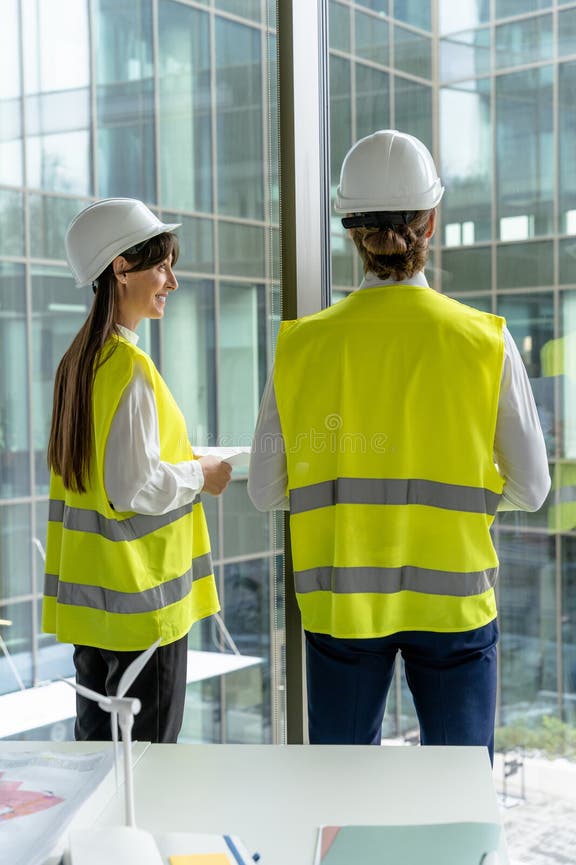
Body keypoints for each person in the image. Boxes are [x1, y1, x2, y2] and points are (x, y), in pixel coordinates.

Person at [248, 130, 551, 762]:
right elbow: (533, 487)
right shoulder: (483, 342)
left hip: (341, 604)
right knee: (458, 799)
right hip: (455, 606)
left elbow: (266, 489)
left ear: (350, 233)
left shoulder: (302, 347)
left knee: (342, 791)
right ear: (431, 222)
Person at [42, 198, 231, 743]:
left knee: (99, 763)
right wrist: (204, 475)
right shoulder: (128, 366)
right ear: (120, 270)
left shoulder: (78, 363)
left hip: (97, 615)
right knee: (148, 768)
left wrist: (186, 461)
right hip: (144, 612)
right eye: (160, 266)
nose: (170, 281)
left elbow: (109, 471)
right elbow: (133, 486)